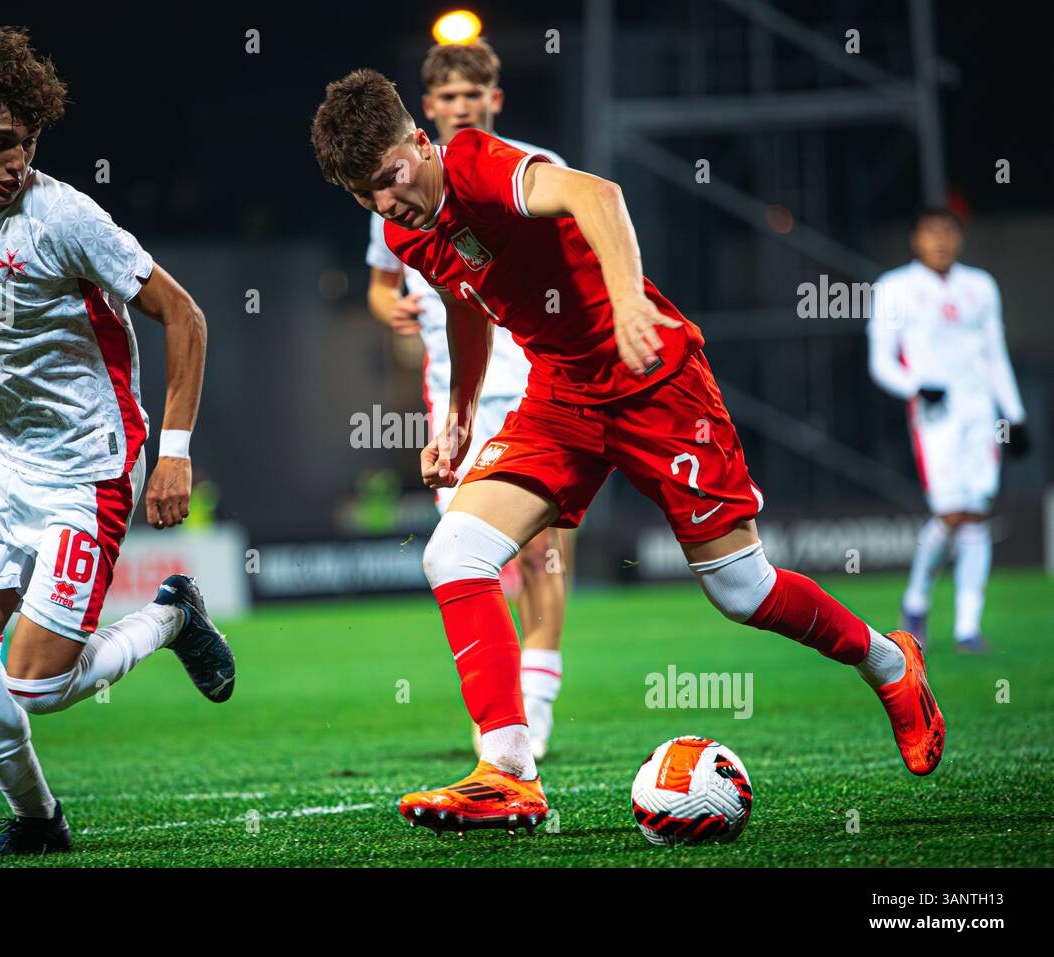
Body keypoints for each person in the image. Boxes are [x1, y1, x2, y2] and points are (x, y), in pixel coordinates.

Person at [311, 70, 945, 837]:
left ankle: (889, 663)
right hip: (563, 396)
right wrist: (460, 415)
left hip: (654, 380)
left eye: (387, 179)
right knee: (454, 553)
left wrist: (629, 301)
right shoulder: (409, 230)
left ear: (420, 142)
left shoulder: (478, 162)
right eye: (362, 195)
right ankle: (508, 772)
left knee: (741, 588)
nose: (384, 203)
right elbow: (463, 305)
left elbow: (599, 196)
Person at [0, 27, 234, 859]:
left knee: (33, 680)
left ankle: (172, 617)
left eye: (27, 146)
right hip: (4, 457)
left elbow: (187, 316)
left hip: (91, 461)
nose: (15, 164)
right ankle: (39, 822)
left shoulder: (65, 216)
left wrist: (173, 450)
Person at [364, 40, 567, 760]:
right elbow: (386, 282)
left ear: (494, 101)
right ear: (428, 109)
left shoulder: (527, 166)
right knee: (472, 559)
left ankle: (527, 718)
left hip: (541, 379)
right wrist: (386, 307)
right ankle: (507, 715)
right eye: (446, 97)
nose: (460, 107)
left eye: (471, 96)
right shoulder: (393, 186)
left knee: (540, 553)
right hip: (457, 391)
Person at [869, 208, 1029, 655]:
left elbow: (995, 354)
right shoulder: (894, 288)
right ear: (915, 239)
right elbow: (880, 361)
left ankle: (966, 629)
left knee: (976, 514)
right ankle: (916, 602)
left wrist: (1014, 414)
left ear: (959, 239)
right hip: (935, 418)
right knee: (950, 514)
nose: (940, 241)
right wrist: (916, 387)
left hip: (980, 413)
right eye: (931, 233)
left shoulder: (980, 287)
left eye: (948, 233)